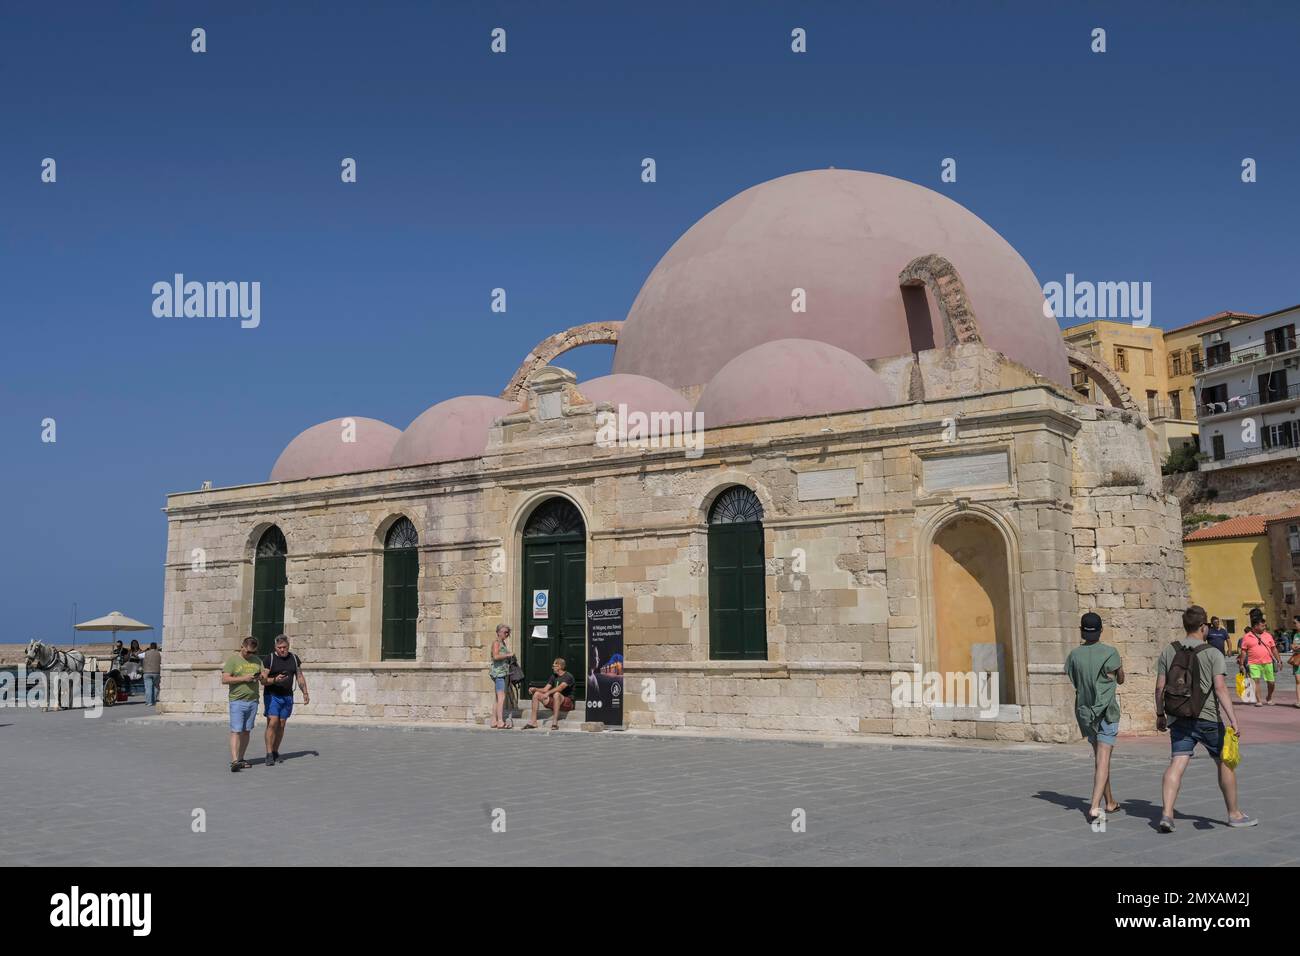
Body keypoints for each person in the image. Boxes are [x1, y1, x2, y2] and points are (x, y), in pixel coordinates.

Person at [1155, 605, 1255, 831]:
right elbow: (1220, 689)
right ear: (1203, 627)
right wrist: (1233, 719)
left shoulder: (1168, 651)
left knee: (1177, 762)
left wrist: (1160, 714)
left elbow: (1159, 687)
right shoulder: (1212, 653)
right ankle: (1234, 814)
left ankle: (1167, 815)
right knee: (1224, 763)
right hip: (1208, 718)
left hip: (1178, 716)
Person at [1065, 612, 1125, 826]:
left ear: (1081, 630)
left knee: (1101, 760)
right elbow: (1121, 679)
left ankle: (1110, 802)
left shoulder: (1073, 655)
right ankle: (1095, 807)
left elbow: (1074, 680)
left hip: (1085, 712)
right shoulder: (1110, 653)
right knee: (1103, 760)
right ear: (1101, 630)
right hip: (1106, 712)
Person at [261, 635, 308, 766]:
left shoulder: (294, 658)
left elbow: (299, 676)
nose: (282, 650)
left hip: (287, 696)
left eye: (284, 647)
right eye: (279, 647)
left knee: (281, 724)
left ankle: (275, 751)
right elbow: (263, 681)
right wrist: (274, 679)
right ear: (275, 647)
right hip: (272, 695)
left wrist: (305, 692)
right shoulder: (269, 659)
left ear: (288, 646)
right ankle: (269, 753)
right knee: (273, 722)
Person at [221, 637, 264, 773]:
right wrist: (244, 678)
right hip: (237, 701)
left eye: (253, 652)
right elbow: (225, 679)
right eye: (248, 652)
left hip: (253, 700)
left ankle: (240, 758)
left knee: (246, 731)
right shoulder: (233, 660)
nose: (250, 655)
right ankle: (234, 761)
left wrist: (260, 677)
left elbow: (263, 675)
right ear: (242, 647)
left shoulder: (257, 661)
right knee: (236, 730)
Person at [1237, 613, 1281, 706]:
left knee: (1271, 682)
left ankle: (1269, 696)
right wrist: (1241, 664)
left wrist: (1279, 660)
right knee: (1256, 681)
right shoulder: (1247, 637)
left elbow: (1274, 649)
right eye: (1262, 626)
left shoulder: (1268, 635)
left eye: (1265, 625)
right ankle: (1258, 700)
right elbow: (1243, 651)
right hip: (1253, 663)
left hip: (1268, 662)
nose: (1264, 627)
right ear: (1256, 626)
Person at [522, 658, 575, 730]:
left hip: (567, 703)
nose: (552, 668)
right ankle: (533, 722)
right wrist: (535, 689)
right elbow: (545, 689)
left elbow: (560, 688)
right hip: (555, 702)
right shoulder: (554, 676)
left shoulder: (568, 676)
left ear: (559, 666)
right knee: (537, 694)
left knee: (556, 694)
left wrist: (548, 693)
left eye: (554, 666)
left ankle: (554, 723)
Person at [488, 624, 514, 729]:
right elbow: (495, 656)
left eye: (508, 632)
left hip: (502, 672)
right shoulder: (496, 643)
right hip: (499, 673)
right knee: (501, 697)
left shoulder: (502, 643)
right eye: (505, 632)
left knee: (498, 698)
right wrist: (508, 655)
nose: (507, 634)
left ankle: (494, 720)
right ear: (498, 632)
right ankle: (500, 721)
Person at [141, 642, 162, 706]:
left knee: (148, 688)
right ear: (156, 647)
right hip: (157, 672)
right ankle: (154, 700)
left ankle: (149, 702)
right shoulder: (160, 653)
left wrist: (145, 650)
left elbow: (137, 655)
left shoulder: (145, 653)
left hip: (147, 672)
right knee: (156, 687)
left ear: (150, 647)